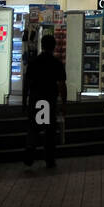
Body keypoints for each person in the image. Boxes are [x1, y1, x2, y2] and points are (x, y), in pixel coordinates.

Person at [22, 34, 65, 168]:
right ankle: (49, 158)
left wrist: (24, 101)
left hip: (35, 99)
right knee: (49, 130)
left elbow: (27, 83)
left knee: (34, 128)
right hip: (48, 100)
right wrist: (64, 102)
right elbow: (62, 84)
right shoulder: (56, 63)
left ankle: (30, 149)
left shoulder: (34, 62)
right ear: (54, 46)